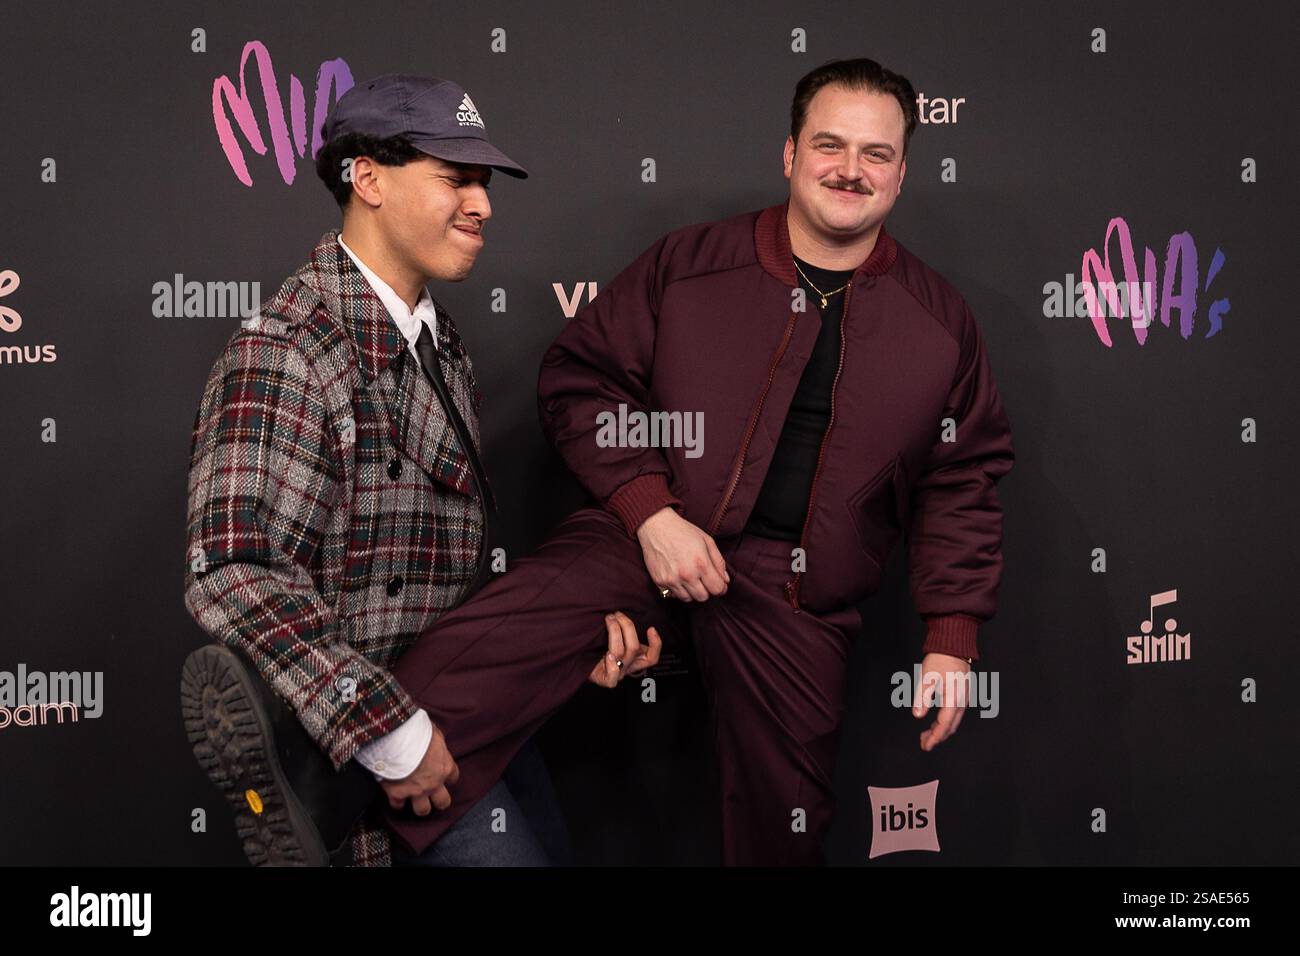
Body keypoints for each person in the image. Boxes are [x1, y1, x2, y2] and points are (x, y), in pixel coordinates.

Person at [376, 57, 1016, 865]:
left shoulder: (940, 324)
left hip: (799, 603)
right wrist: (650, 513)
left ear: (901, 172)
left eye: (876, 153)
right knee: (479, 653)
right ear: (789, 155)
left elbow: (962, 480)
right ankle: (317, 778)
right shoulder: (692, 263)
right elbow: (582, 382)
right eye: (829, 145)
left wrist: (951, 634)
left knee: (783, 835)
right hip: (652, 540)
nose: (850, 170)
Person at [180, 73, 659, 868]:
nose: (483, 204)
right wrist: (388, 735)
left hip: (471, 724)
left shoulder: (442, 347)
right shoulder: (286, 349)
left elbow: (451, 595)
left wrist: (566, 648)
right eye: (456, 178)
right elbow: (235, 571)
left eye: (484, 182)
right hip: (379, 751)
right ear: (366, 177)